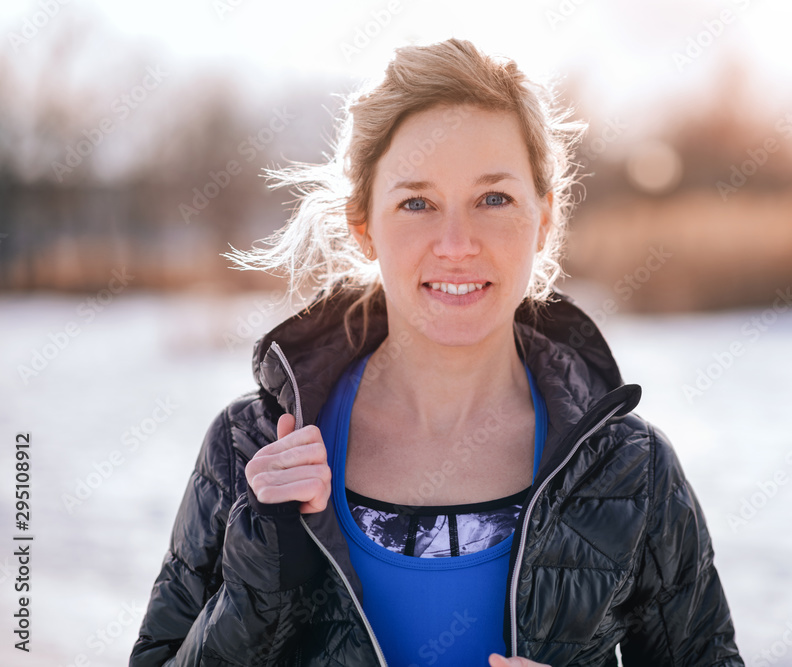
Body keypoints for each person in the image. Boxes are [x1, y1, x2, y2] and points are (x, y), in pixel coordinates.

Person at [130, 38, 743, 667]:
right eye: (417, 203)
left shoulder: (630, 471)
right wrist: (261, 576)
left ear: (544, 219)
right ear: (363, 225)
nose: (456, 244)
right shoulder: (252, 452)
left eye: (494, 199)